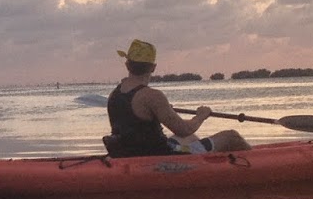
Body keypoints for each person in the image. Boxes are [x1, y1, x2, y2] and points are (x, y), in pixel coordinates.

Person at [104, 38, 250, 157]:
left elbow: (136, 124)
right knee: (231, 136)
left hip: (130, 153)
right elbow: (184, 129)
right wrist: (200, 116)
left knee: (191, 140)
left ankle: (207, 166)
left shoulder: (114, 94)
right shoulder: (153, 96)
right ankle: (258, 164)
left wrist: (163, 111)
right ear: (153, 67)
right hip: (161, 156)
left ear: (127, 64)